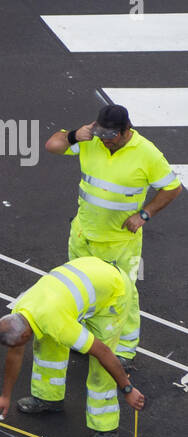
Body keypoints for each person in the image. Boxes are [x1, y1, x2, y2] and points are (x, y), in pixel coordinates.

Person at [44, 103, 180, 369]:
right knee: (81, 289)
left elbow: (171, 188)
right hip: (84, 233)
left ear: (126, 130)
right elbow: (52, 146)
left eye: (110, 137)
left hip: (120, 241)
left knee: (122, 295)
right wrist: (73, 135)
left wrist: (144, 214)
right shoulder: (90, 139)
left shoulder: (147, 153)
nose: (105, 142)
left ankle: (124, 351)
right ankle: (89, 341)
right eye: (101, 135)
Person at [0, 256, 144, 437]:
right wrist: (5, 396)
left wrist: (128, 389)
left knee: (99, 369)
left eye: (22, 342)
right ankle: (49, 399)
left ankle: (107, 429)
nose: (20, 347)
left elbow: (103, 353)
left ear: (24, 334)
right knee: (46, 343)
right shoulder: (21, 311)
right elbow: (15, 354)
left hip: (113, 292)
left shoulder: (59, 325)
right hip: (89, 272)